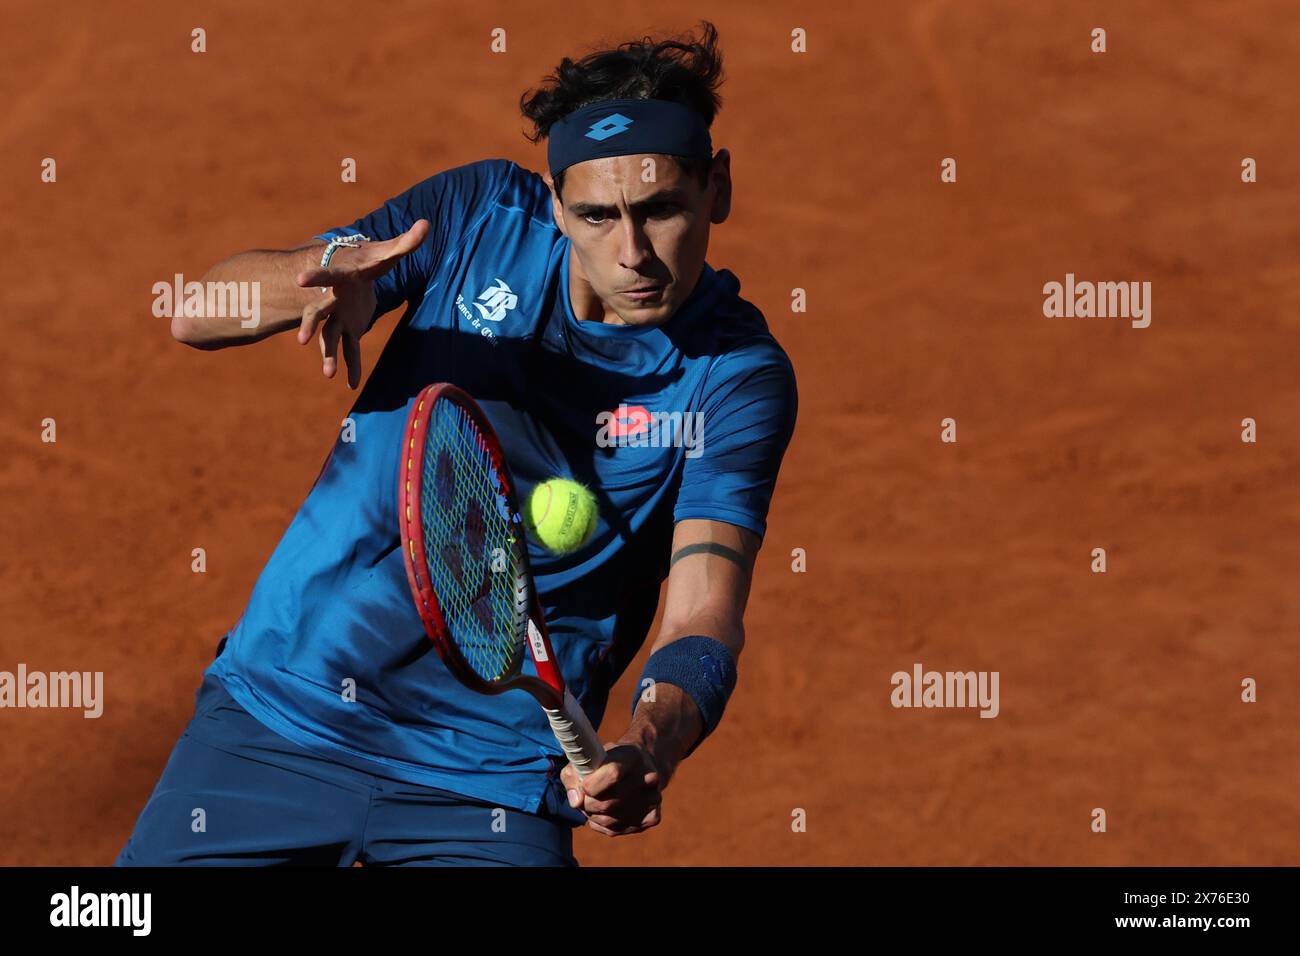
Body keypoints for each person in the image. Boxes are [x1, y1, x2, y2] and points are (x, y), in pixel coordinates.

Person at [116, 20, 797, 866]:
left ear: (717, 189)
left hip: (492, 783)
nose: (632, 253)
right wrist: (321, 273)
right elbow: (194, 314)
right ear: (555, 207)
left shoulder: (734, 377)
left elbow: (704, 610)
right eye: (595, 215)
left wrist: (652, 744)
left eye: (661, 209)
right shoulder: (479, 218)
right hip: (282, 713)